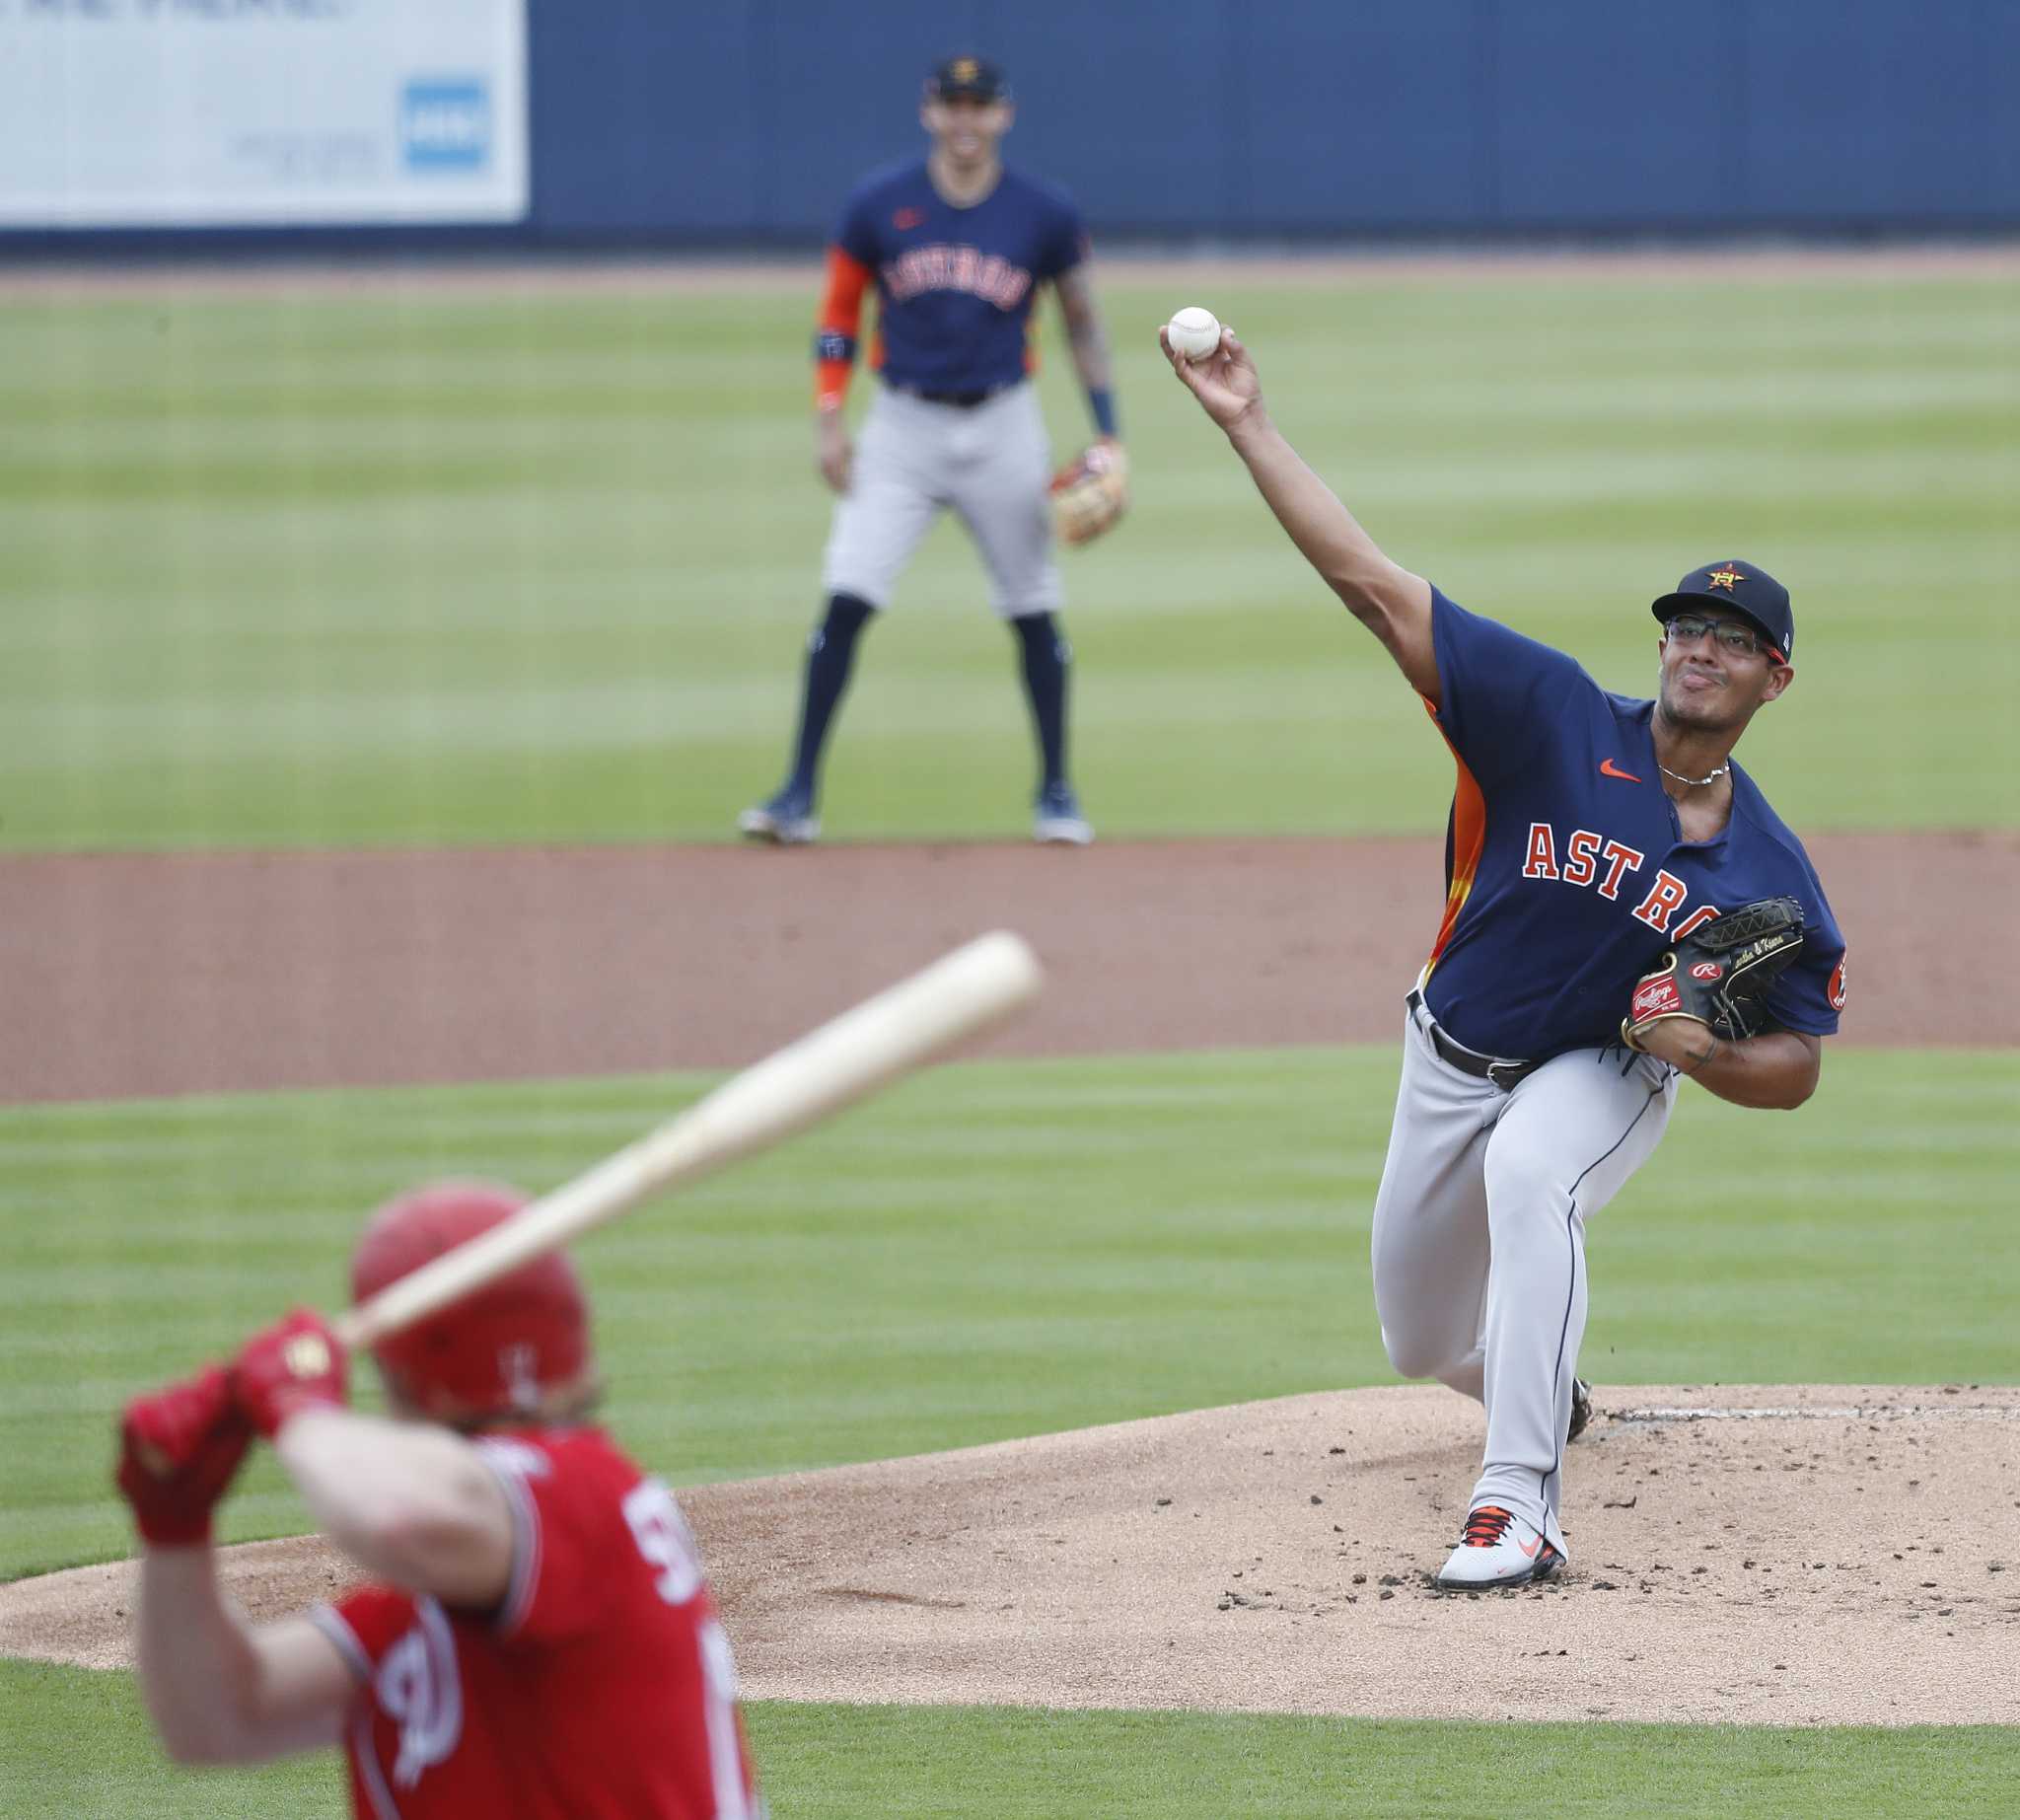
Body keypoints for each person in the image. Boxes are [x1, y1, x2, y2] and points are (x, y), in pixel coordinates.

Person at [1162, 325, 1847, 1591]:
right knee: (1417, 1336)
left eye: (1730, 636)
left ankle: (1516, 1500)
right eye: (1684, 626)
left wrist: (1701, 1052)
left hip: (1601, 1070)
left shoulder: (1768, 874)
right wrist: (1243, 421)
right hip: (1442, 1051)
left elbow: (1797, 1060)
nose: (1697, 646)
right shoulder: (1548, 715)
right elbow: (1372, 586)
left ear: (1773, 677)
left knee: (1537, 1171)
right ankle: (1542, 1386)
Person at [115, 1180, 764, 1817]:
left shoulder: (584, 1495)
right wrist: (175, 1526)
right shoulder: (441, 1597)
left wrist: (297, 1405)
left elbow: (397, 1515)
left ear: (414, 1375)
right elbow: (219, 1719)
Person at [739, 53, 1120, 848]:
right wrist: (828, 414)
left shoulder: (1042, 212)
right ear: (929, 112)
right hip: (902, 427)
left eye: (980, 106)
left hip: (1004, 422)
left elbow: (1081, 321)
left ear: (1003, 116)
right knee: (847, 595)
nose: (966, 120)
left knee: (1033, 607)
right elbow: (839, 312)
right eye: (953, 105)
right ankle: (797, 793)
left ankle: (1056, 793)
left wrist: (1107, 429)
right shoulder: (880, 203)